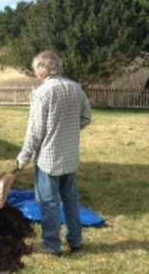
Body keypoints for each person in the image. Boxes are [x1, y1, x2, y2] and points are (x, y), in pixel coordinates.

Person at [16, 50, 92, 256]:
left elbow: (35, 132)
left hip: (49, 160)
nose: (35, 73)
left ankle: (52, 246)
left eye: (36, 70)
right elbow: (86, 118)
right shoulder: (76, 88)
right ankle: (76, 241)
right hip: (70, 158)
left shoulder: (42, 93)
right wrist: (67, 131)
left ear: (42, 70)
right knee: (71, 199)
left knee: (49, 204)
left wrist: (22, 158)